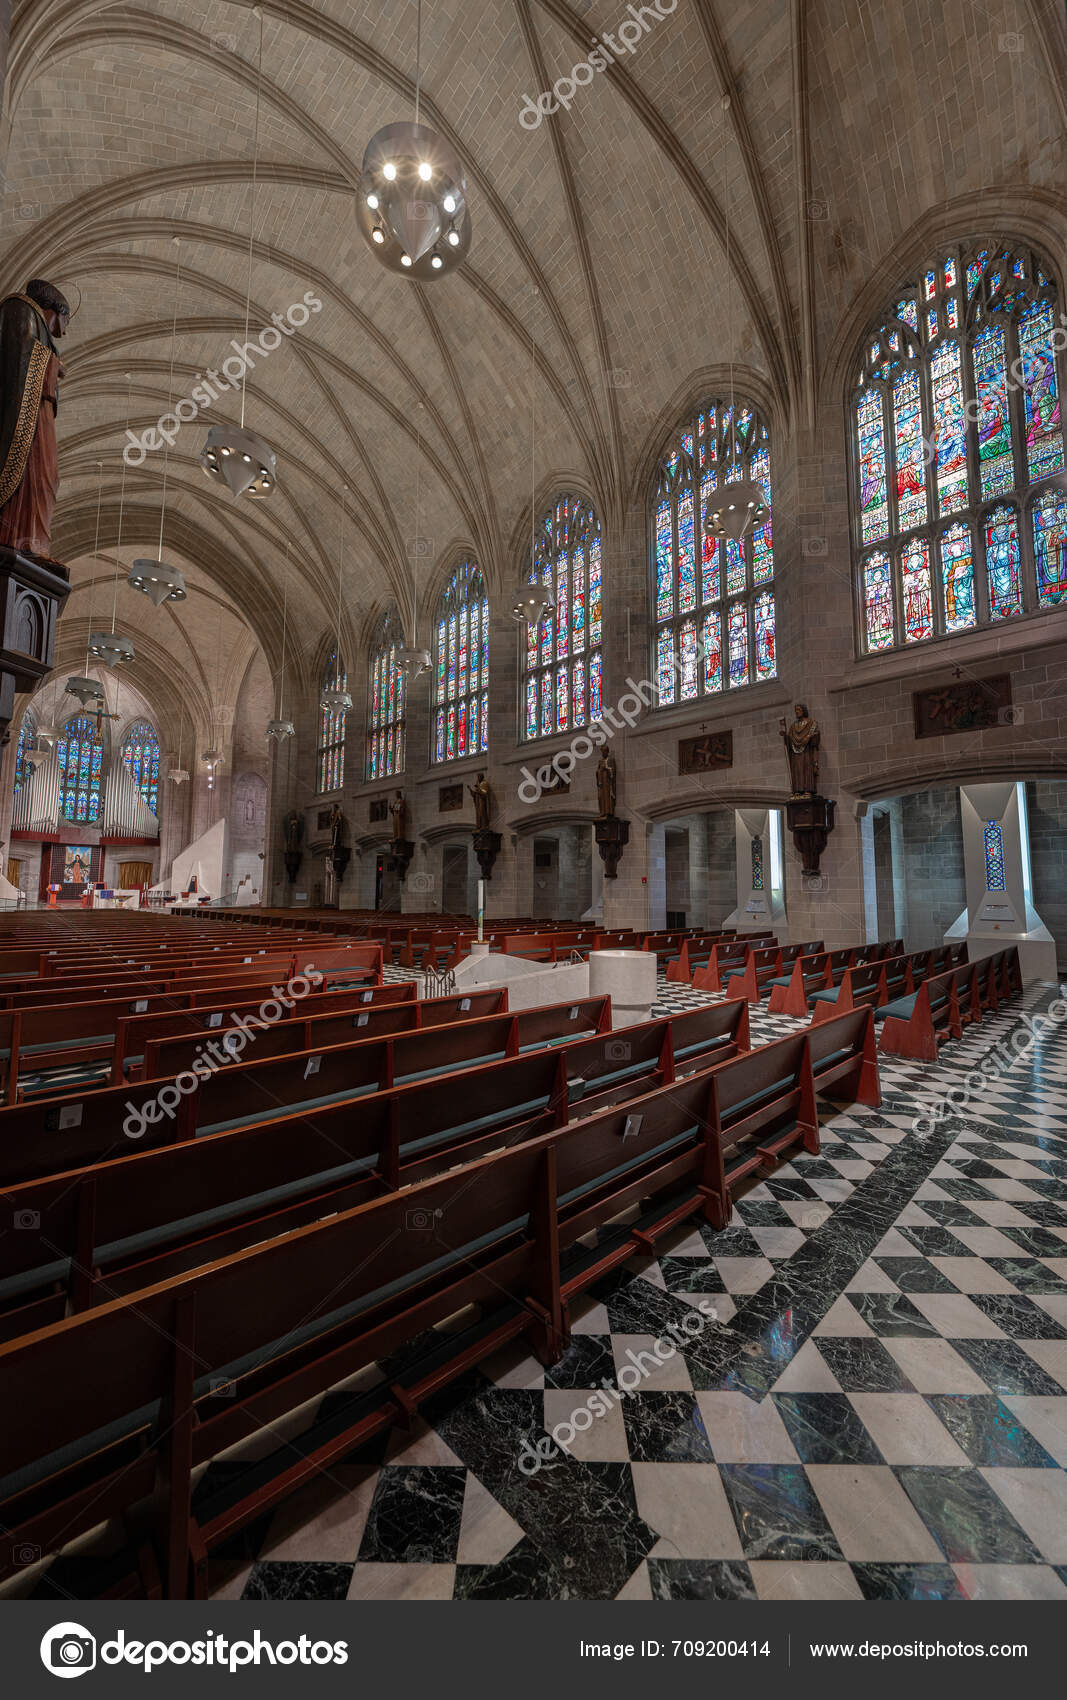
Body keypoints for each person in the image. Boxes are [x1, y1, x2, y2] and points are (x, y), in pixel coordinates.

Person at [0, 279, 71, 562]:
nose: (66, 329)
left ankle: (34, 543)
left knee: (47, 479)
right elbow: (18, 356)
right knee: (38, 475)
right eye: (67, 319)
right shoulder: (19, 309)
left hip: (39, 413)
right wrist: (54, 365)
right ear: (58, 310)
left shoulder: (37, 325)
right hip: (26, 414)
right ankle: (19, 539)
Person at [779, 703, 820, 797]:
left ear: (804, 711)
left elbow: (816, 737)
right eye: (795, 710)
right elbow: (789, 740)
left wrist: (810, 737)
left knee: (806, 769)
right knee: (797, 770)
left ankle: (807, 789)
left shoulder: (811, 723)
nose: (797, 712)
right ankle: (797, 789)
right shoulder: (793, 726)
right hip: (795, 754)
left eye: (799, 710)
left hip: (806, 752)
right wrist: (785, 736)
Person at [595, 747, 616, 817]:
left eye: (604, 751)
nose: (603, 753)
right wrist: (598, 771)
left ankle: (608, 812)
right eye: (602, 752)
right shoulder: (600, 761)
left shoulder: (611, 760)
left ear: (607, 751)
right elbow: (597, 771)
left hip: (607, 782)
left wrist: (606, 768)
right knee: (600, 797)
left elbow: (613, 771)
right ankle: (602, 812)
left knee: (608, 797)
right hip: (601, 784)